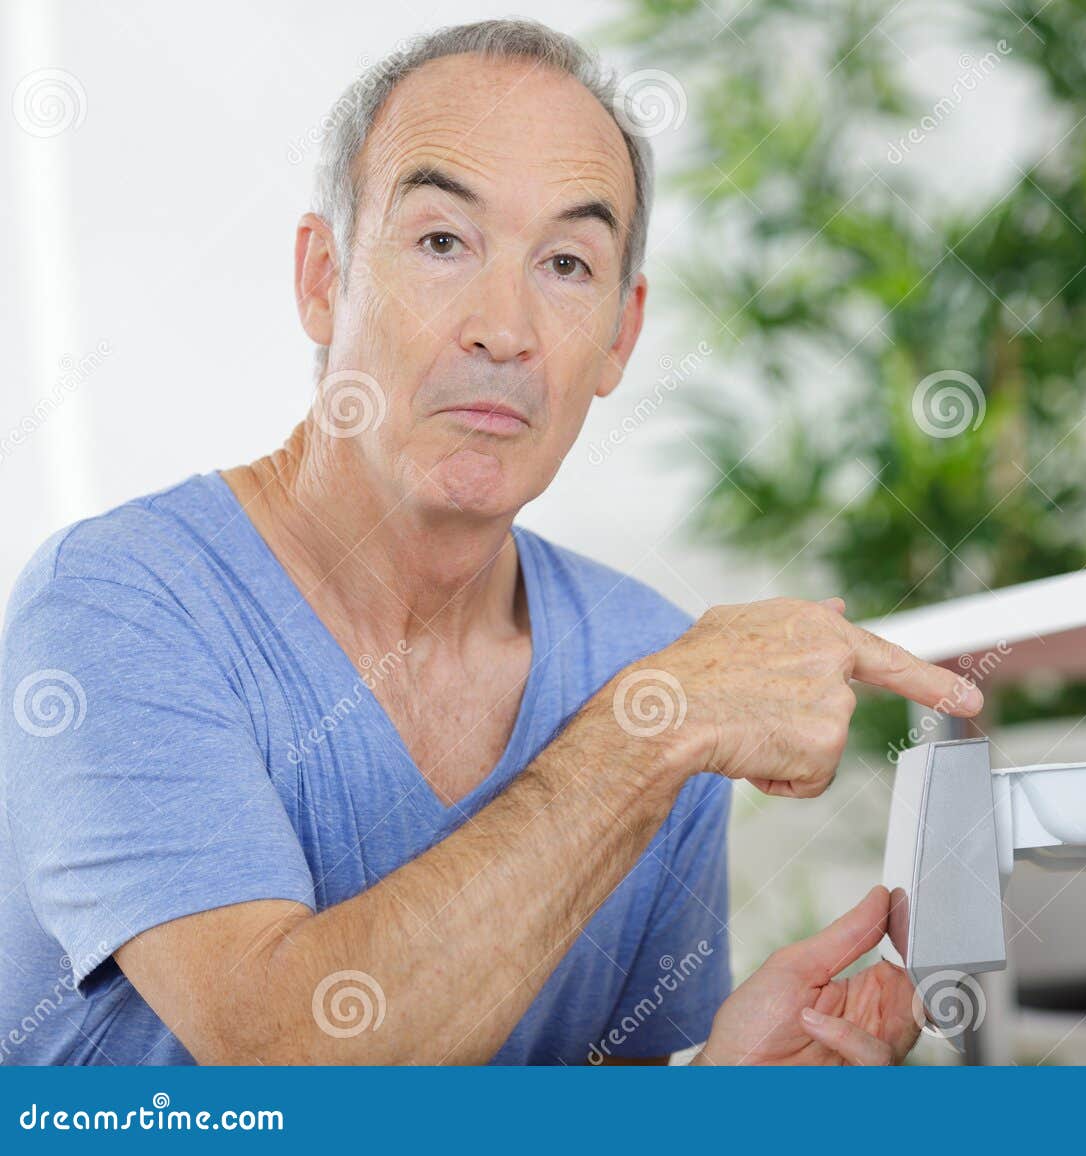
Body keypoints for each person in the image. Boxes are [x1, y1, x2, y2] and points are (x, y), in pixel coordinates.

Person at [0, 18, 981, 1066]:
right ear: (322, 278)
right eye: (440, 242)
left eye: (566, 263)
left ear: (620, 333)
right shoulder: (117, 605)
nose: (503, 327)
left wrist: (718, 1097)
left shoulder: (641, 647)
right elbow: (286, 1075)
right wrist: (651, 730)